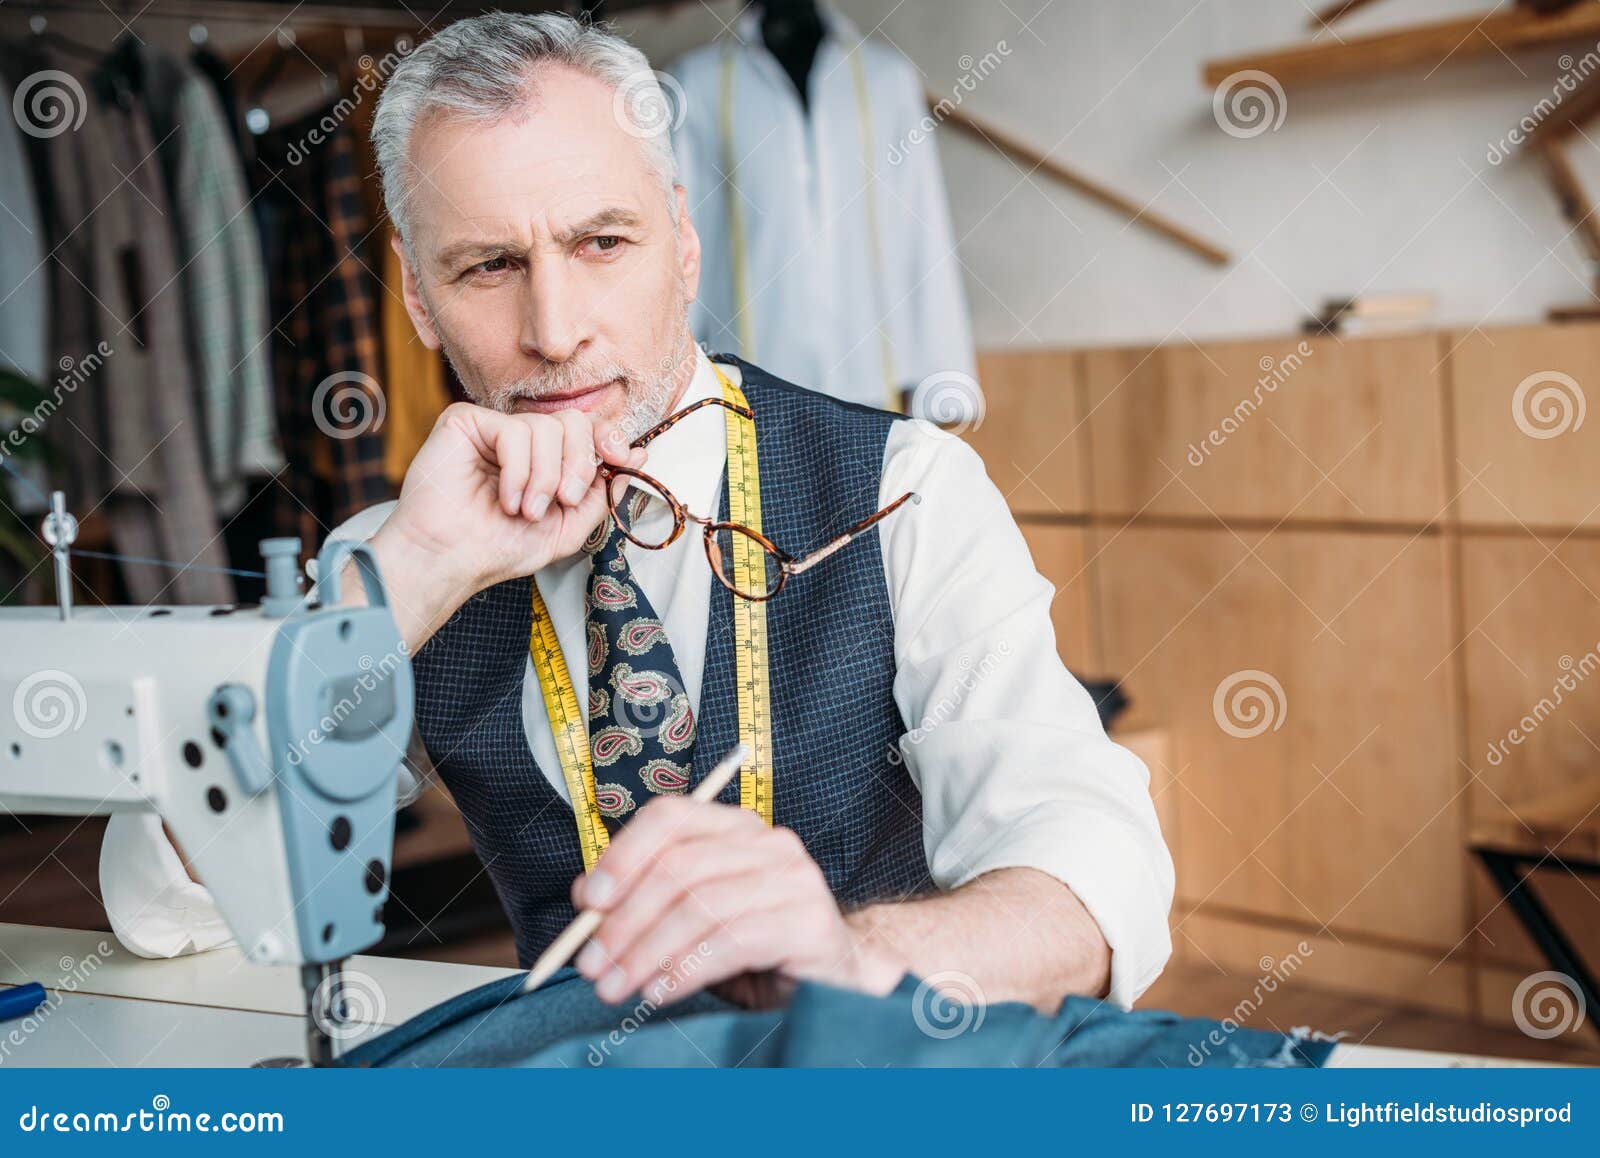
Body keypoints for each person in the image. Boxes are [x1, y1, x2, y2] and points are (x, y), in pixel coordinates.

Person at [100, 12, 1173, 1014]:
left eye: (601, 244)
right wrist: (412, 580)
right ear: (419, 300)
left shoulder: (905, 489)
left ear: (684, 244)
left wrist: (857, 960)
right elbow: (161, 907)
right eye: (490, 266)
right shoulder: (387, 561)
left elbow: (1100, 871)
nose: (555, 330)